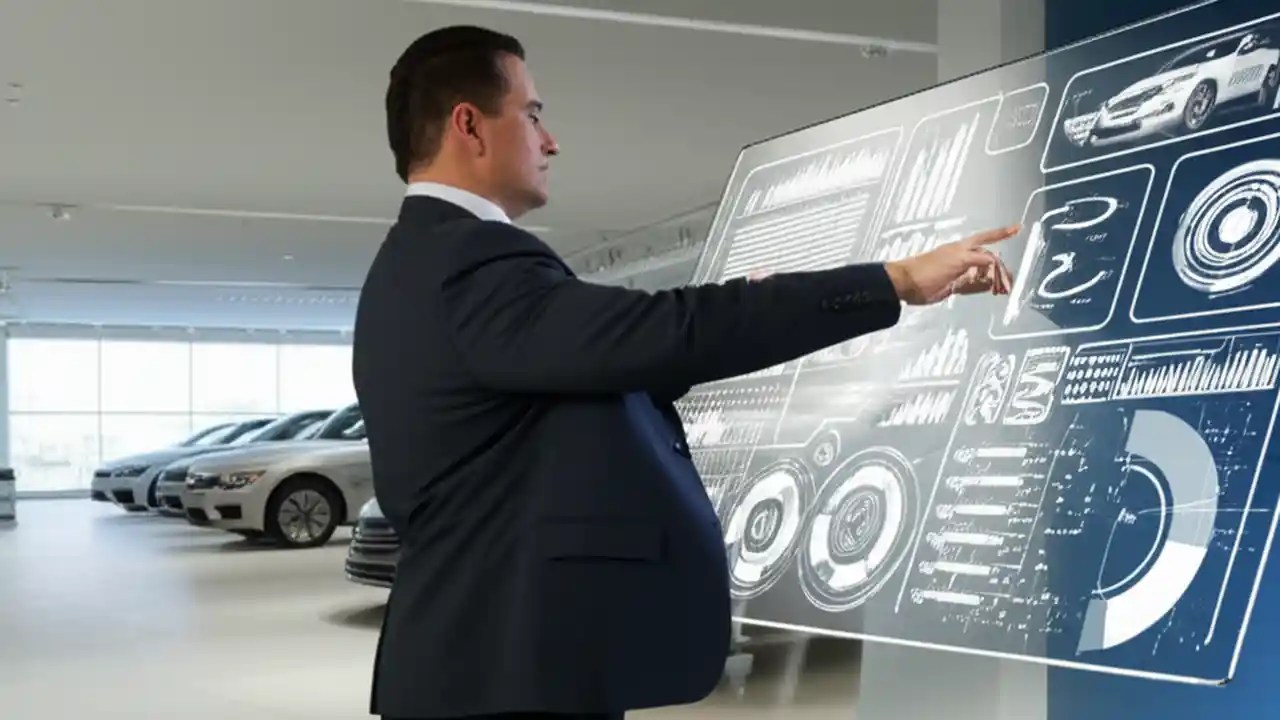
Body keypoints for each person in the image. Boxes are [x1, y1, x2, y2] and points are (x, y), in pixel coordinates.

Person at [352, 24, 1016, 720]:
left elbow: (576, 385)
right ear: (469, 125)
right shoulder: (472, 264)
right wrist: (897, 279)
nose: (550, 142)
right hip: (500, 675)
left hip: (483, 664)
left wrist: (719, 324)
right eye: (533, 114)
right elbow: (663, 333)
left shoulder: (417, 265)